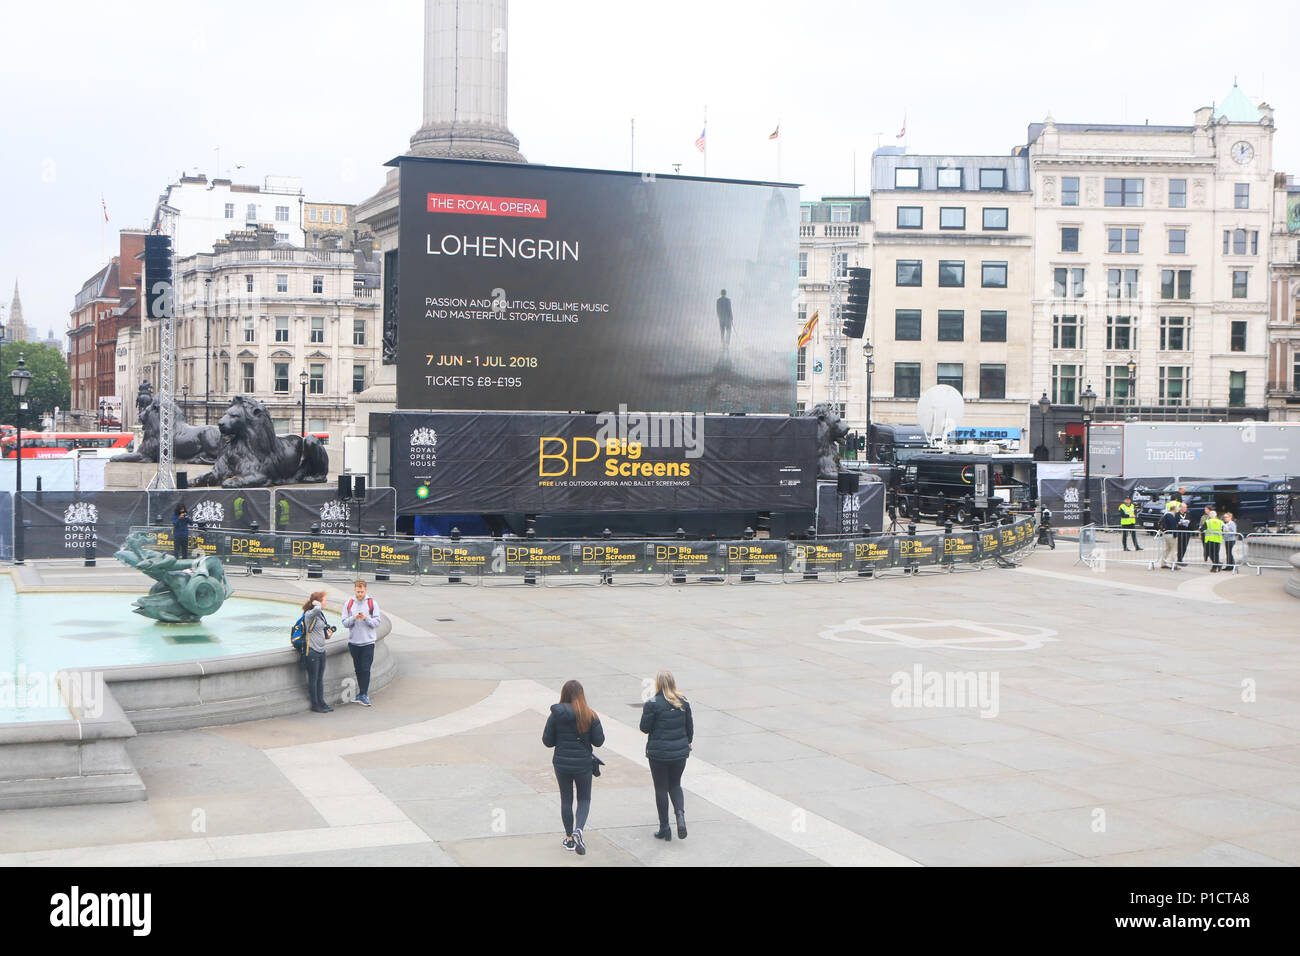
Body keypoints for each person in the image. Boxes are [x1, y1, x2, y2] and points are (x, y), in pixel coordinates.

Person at [542, 680, 604, 856]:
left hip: (561, 763)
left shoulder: (556, 715)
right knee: (584, 799)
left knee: (566, 799)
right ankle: (579, 830)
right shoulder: (590, 715)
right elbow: (599, 741)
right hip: (583, 763)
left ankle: (569, 839)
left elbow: (547, 741)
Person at [640, 670, 693, 841]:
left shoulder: (652, 703)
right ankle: (680, 817)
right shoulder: (683, 702)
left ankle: (664, 827)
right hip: (679, 752)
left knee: (661, 788)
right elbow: (689, 728)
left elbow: (644, 728)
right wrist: (687, 742)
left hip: (659, 754)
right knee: (675, 785)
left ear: (658, 684)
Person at [342, 579, 381, 707]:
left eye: (362, 592)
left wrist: (366, 618)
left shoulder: (372, 603)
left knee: (365, 668)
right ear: (354, 590)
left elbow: (377, 623)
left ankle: (364, 694)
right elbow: (344, 623)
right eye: (358, 591)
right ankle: (361, 694)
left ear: (366, 590)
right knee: (358, 669)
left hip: (368, 642)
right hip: (354, 642)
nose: (359, 594)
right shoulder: (349, 603)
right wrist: (353, 618)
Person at [302, 591, 334, 713]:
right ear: (318, 602)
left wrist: (328, 635)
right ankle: (315, 704)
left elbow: (320, 632)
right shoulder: (309, 614)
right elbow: (317, 608)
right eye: (324, 600)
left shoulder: (320, 614)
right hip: (312, 651)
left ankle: (322, 702)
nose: (326, 602)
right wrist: (315, 602)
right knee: (313, 679)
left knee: (320, 679)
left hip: (321, 651)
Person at [1160, 502, 1181, 570]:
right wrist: (1175, 535)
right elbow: (1173, 527)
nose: (1177, 511)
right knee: (1173, 550)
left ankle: (1163, 563)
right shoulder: (1171, 516)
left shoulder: (1166, 515)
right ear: (1174, 510)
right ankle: (1173, 564)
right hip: (1171, 534)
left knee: (1167, 549)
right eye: (1176, 509)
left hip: (1166, 534)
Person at [1176, 502, 1193, 566]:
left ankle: (1181, 558)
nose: (1186, 508)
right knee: (1180, 546)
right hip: (1180, 532)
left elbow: (1190, 521)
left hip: (1187, 532)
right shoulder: (1177, 514)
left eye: (1186, 507)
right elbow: (1176, 521)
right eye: (1184, 507)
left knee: (1184, 546)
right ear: (1181, 508)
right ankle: (1179, 559)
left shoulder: (1188, 514)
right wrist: (1179, 523)